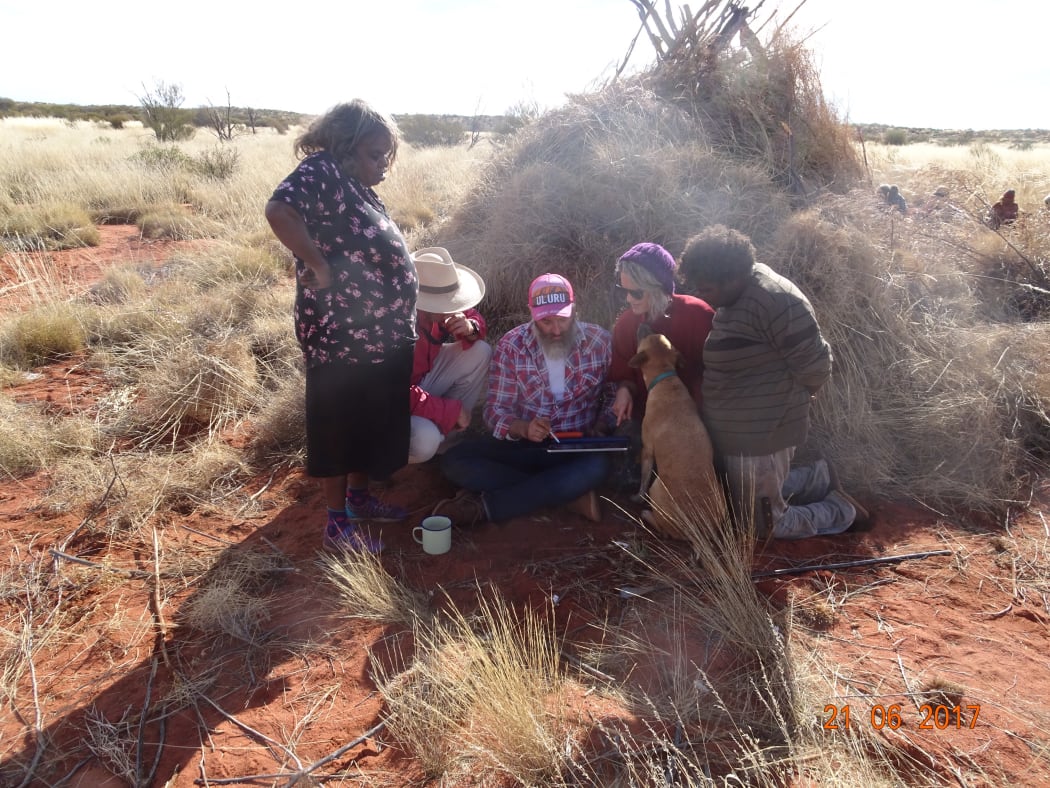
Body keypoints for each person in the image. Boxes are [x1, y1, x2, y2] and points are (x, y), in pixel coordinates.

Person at [265, 100, 417, 553]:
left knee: (368, 423)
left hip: (379, 336)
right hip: (341, 336)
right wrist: (318, 264)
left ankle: (359, 499)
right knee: (339, 425)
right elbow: (279, 210)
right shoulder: (323, 170)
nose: (383, 164)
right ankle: (336, 525)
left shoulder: (354, 184)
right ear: (347, 147)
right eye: (375, 154)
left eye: (386, 155)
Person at [678, 224, 867, 540]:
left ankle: (840, 510)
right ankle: (816, 478)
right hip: (741, 434)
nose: (700, 293)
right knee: (735, 506)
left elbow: (816, 365)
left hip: (762, 434)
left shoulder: (775, 300)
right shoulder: (738, 294)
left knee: (764, 526)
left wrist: (788, 403)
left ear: (732, 278)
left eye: (706, 288)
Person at [438, 273, 618, 524]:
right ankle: (568, 495)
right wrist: (523, 428)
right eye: (546, 321)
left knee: (597, 466)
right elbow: (495, 411)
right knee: (455, 461)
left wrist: (602, 425)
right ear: (531, 314)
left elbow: (613, 394)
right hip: (524, 448)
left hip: (577, 446)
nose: (556, 329)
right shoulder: (512, 346)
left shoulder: (600, 341)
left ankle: (488, 507)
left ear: (574, 310)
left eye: (563, 319)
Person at [409, 247, 491, 464]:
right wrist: (450, 411)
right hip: (387, 403)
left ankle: (448, 445)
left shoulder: (435, 309)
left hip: (419, 381)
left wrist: (470, 327)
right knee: (423, 441)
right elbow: (391, 393)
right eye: (445, 301)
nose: (451, 306)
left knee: (481, 351)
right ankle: (384, 464)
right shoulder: (395, 323)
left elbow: (472, 316)